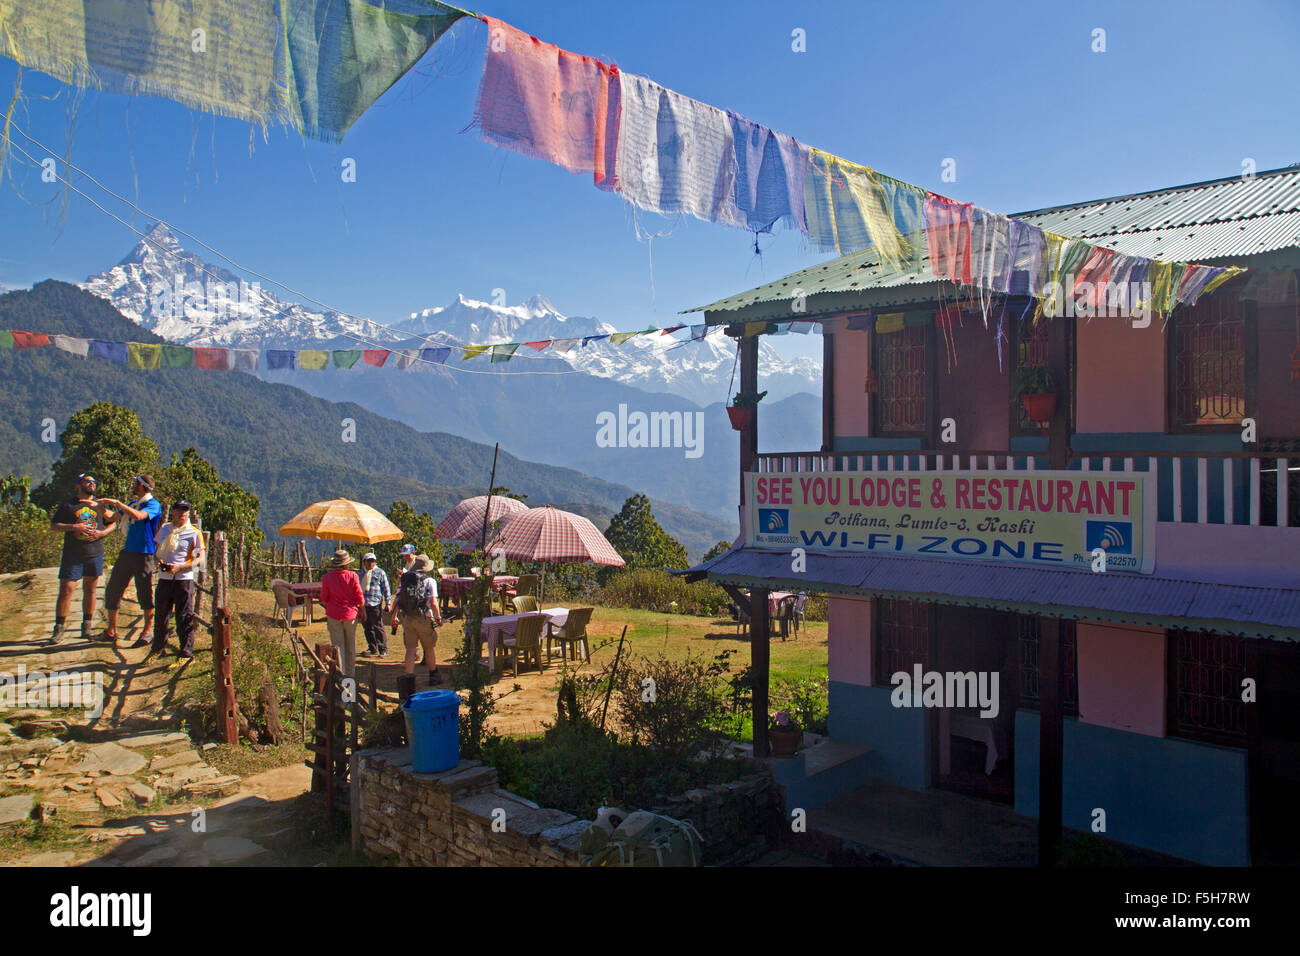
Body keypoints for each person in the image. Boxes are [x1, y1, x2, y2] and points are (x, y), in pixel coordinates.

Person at [49, 474, 117, 643]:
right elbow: (54, 526)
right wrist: (74, 527)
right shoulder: (68, 505)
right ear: (78, 485)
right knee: (66, 590)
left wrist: (102, 533)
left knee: (91, 589)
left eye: (94, 482)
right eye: (87, 481)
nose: (91, 484)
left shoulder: (99, 505)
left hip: (94, 552)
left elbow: (113, 521)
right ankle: (59, 628)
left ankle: (87, 626)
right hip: (73, 554)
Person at [98, 475, 164, 646]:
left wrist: (119, 504)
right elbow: (112, 517)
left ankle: (147, 631)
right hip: (128, 552)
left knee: (144, 592)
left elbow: (139, 516)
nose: (133, 486)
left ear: (142, 486)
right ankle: (111, 630)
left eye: (136, 484)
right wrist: (97, 506)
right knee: (113, 590)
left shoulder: (152, 505)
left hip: (144, 553)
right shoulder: (133, 503)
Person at [146, 501, 204, 668]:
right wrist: (159, 561)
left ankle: (186, 652)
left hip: (183, 579)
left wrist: (180, 567)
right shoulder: (165, 529)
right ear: (173, 512)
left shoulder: (193, 533)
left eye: (185, 511)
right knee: (161, 614)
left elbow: (200, 559)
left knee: (184, 615)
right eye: (179, 510)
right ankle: (158, 648)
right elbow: (156, 550)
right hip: (164, 578)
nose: (182, 514)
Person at [391, 554, 443, 686]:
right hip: (424, 617)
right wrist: (438, 618)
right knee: (429, 648)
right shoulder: (430, 581)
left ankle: (409, 679)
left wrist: (394, 615)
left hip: (407, 617)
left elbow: (398, 599)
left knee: (410, 649)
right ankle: (433, 675)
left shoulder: (405, 579)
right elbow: (433, 602)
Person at [320, 549, 364, 677]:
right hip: (350, 614)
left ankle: (341, 674)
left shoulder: (327, 578)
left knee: (338, 646)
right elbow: (359, 596)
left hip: (334, 614)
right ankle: (351, 675)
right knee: (350, 645)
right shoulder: (353, 576)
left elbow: (324, 598)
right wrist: (363, 611)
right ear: (346, 564)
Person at [358, 552, 391, 659]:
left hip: (375, 603)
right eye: (369, 561)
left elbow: (386, 588)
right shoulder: (361, 573)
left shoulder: (380, 572)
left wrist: (388, 602)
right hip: (364, 604)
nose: (371, 563)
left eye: (373, 561)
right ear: (364, 562)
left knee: (378, 626)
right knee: (367, 627)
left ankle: (383, 649)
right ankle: (372, 647)